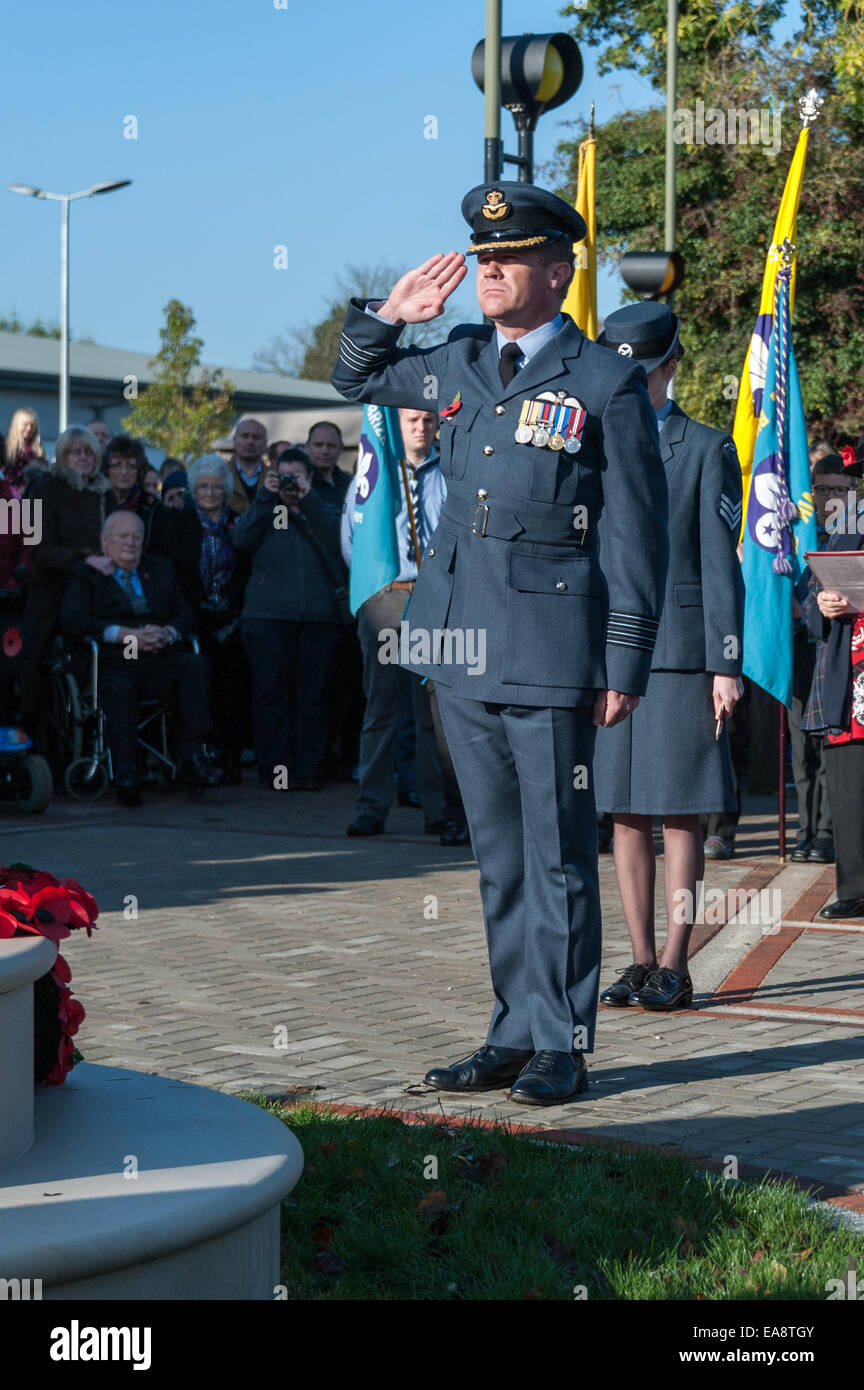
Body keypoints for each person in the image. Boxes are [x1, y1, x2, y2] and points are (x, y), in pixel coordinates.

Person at [332, 181, 669, 1105]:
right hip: (460, 647)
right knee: (498, 855)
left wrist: (626, 660)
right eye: (481, 258)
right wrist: (391, 314)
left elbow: (638, 534)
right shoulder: (456, 359)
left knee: (558, 851)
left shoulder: (606, 382)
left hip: (556, 653)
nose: (487, 271)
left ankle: (564, 1039)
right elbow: (355, 380)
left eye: (508, 258)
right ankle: (513, 1031)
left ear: (558, 272)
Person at [593, 303, 744, 1012]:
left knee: (681, 812)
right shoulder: (592, 442)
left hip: (682, 655)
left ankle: (678, 963)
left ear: (670, 367)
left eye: (645, 374)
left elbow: (721, 565)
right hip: (608, 650)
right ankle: (641, 959)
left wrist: (726, 661)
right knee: (623, 813)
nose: (635, 386)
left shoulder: (708, 447)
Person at [341, 407, 450, 839]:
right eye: (411, 421)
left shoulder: (451, 472)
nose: (420, 428)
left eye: (427, 420)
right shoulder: (375, 475)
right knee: (381, 710)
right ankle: (371, 808)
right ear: (396, 424)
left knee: (432, 716)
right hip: (388, 596)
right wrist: (375, 590)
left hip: (433, 600)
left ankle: (440, 812)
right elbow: (354, 537)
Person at [60, 511, 217, 806]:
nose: (130, 542)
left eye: (136, 536)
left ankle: (194, 756)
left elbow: (186, 614)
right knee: (119, 689)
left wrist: (169, 633)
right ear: (105, 542)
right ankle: (126, 770)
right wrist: (124, 635)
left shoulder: (160, 569)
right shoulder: (87, 574)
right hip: (112, 660)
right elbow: (73, 620)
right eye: (122, 536)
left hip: (156, 657)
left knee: (196, 665)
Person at [231, 446, 346, 790]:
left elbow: (340, 539)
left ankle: (310, 772)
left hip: (319, 619)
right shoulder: (265, 508)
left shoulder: (324, 508)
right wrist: (266, 498)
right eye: (284, 476)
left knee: (313, 697)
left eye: (296, 477)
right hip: (268, 618)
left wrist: (308, 500)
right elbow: (240, 540)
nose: (289, 484)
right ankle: (277, 774)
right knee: (271, 697)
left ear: (309, 478)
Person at [801, 458, 864, 917]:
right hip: (848, 677)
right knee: (848, 787)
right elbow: (806, 605)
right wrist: (821, 602)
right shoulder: (845, 531)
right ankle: (855, 889)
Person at [168, 454, 251, 784]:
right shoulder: (179, 523)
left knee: (234, 689)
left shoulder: (240, 521)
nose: (210, 492)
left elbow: (247, 568)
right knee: (201, 686)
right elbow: (175, 571)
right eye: (203, 486)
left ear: (227, 489)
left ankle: (232, 758)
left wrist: (230, 604)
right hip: (195, 618)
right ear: (193, 489)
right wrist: (200, 605)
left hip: (232, 619)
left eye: (217, 486)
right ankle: (200, 753)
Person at [789, 454, 845, 863]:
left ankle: (826, 830)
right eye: (822, 488)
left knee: (829, 743)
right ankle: (803, 829)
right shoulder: (795, 536)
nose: (829, 497)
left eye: (839, 489)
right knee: (801, 748)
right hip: (798, 653)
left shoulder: (852, 536)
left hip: (835, 653)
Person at [102, 435, 172, 554]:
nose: (124, 472)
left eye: (131, 466)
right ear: (107, 469)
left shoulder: (154, 508)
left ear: (139, 470)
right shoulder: (96, 502)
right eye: (117, 465)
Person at [306, 421, 352, 510]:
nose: (325, 451)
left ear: (341, 448)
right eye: (318, 445)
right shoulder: (301, 485)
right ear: (308, 447)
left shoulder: (350, 484)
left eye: (331, 446)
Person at [4, 407, 48, 496]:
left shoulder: (38, 449)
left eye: (32, 425)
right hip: (11, 497)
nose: (29, 428)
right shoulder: (7, 450)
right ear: (17, 426)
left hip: (35, 496)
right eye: (25, 425)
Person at [229, 418, 269, 513]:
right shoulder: (219, 477)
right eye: (244, 436)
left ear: (265, 444)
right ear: (234, 440)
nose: (250, 441)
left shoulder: (275, 478)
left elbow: (282, 519)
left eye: (256, 437)